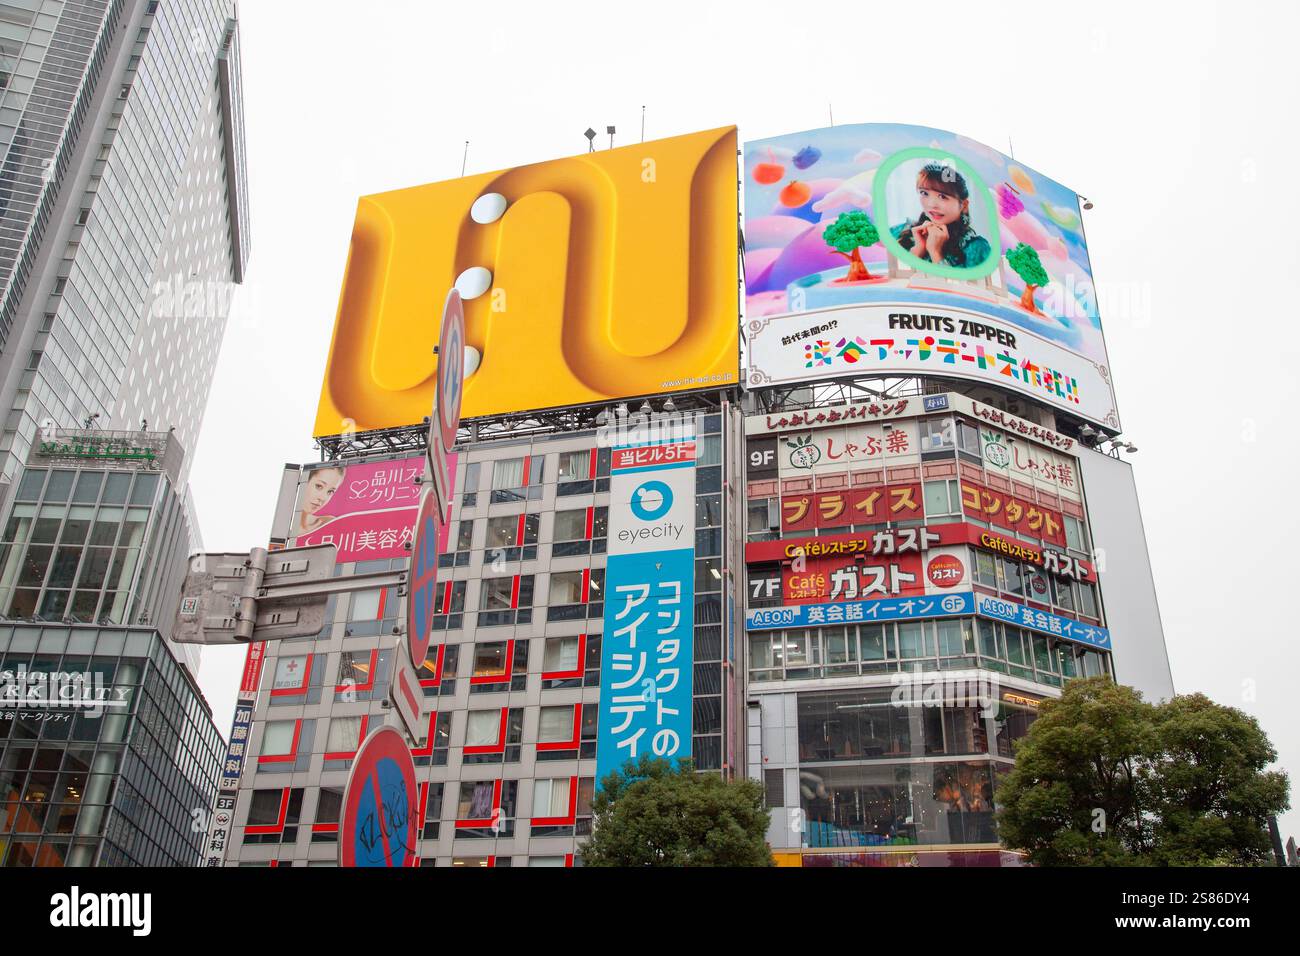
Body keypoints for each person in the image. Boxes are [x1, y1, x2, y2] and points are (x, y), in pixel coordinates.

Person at [891, 162, 991, 269]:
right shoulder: (900, 231)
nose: (931, 204)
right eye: (924, 193)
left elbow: (964, 285)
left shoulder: (977, 248)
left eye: (942, 196)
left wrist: (936, 253)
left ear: (964, 205)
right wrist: (918, 250)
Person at [293, 466, 344, 537]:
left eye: (330, 491)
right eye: (319, 486)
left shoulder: (329, 523)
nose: (322, 498)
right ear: (305, 482)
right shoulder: (284, 528)